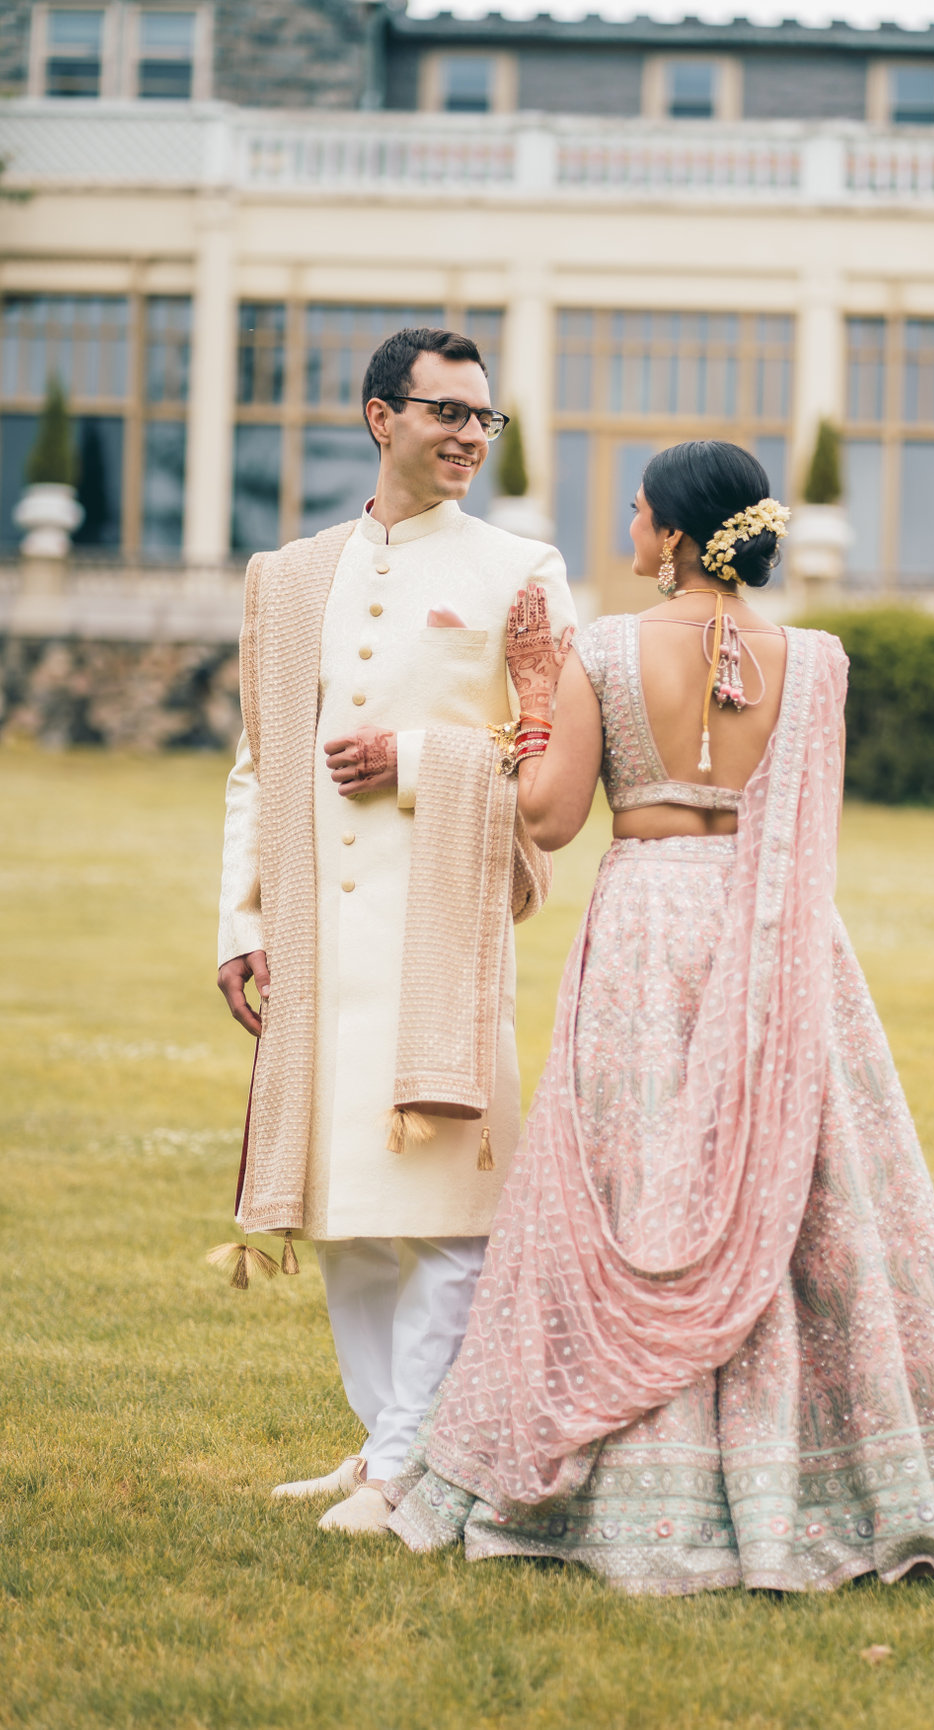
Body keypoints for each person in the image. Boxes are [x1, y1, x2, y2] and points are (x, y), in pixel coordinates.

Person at [382, 439, 934, 1594]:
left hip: (647, 929)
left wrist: (533, 704)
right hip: (775, 929)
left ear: (678, 536)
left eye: (639, 512)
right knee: (802, 1184)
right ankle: (836, 1466)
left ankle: (633, 1470)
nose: (628, 529)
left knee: (637, 1172)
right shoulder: (819, 662)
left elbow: (547, 818)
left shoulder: (600, 649)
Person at [216, 327, 576, 1535]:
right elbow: (259, 761)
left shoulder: (521, 566)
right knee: (346, 1211)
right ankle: (387, 1445)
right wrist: (239, 922)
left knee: (447, 1213)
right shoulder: (291, 576)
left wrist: (419, 760)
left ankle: (411, 1461)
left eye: (485, 418)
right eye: (447, 412)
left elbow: (550, 758)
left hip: (442, 932)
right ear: (382, 416)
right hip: (316, 935)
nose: (471, 436)